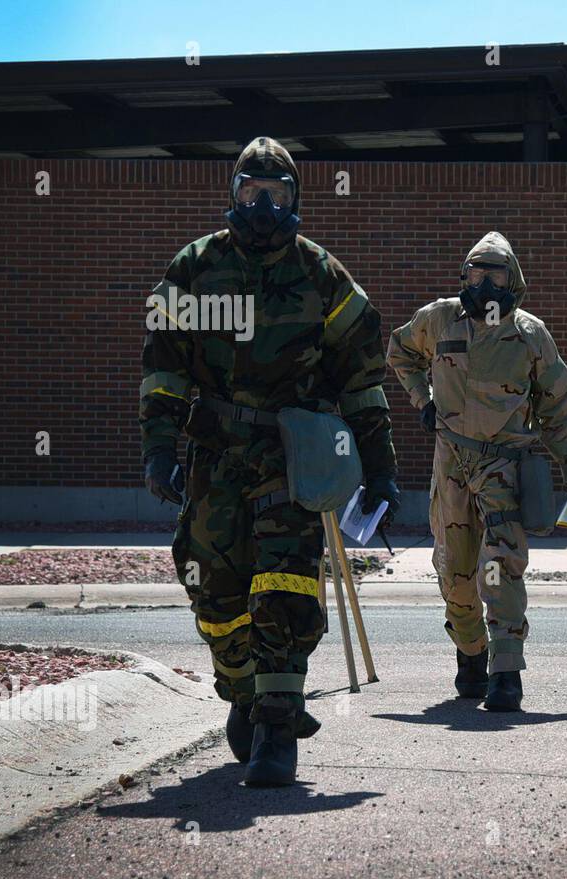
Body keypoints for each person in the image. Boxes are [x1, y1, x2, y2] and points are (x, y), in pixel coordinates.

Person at [140, 136, 399, 786]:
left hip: (292, 453)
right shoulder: (195, 269)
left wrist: (380, 465)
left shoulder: (320, 273)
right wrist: (158, 448)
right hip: (214, 452)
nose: (262, 207)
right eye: (251, 194)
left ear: (295, 200)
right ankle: (243, 690)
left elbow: (363, 376)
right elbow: (164, 368)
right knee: (210, 582)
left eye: (276, 195)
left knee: (284, 580)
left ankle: (278, 724)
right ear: (233, 196)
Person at [387, 232, 567, 712]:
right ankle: (471, 653)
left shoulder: (530, 334)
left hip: (505, 465)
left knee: (500, 569)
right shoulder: (438, 320)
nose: (483, 285)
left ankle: (506, 671)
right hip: (452, 464)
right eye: (475, 275)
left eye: (494, 276)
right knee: (455, 574)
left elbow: (559, 408)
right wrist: (424, 399)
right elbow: (398, 353)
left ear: (512, 280)